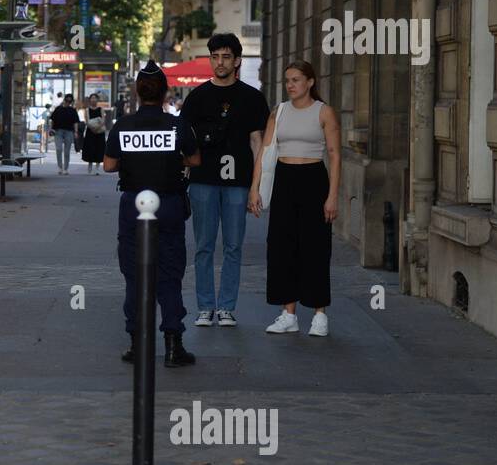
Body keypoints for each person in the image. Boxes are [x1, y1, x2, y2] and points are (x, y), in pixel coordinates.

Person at [104, 62, 201, 367]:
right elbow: (195, 159)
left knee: (135, 276)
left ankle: (137, 345)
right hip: (169, 204)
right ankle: (174, 346)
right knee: (170, 275)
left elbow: (109, 165)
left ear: (137, 92)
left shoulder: (123, 125)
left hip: (134, 205)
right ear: (165, 92)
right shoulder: (177, 126)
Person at [181, 32, 270, 327]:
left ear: (237, 60)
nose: (220, 62)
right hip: (203, 181)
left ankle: (227, 307)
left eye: (226, 57)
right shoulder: (196, 97)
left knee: (233, 246)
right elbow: (186, 140)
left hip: (238, 183)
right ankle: (205, 306)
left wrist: (257, 187)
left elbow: (258, 143)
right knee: (204, 245)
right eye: (215, 57)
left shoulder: (253, 98)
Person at [248, 60, 342, 337]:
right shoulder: (279, 112)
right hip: (285, 179)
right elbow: (265, 151)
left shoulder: (324, 112)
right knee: (281, 246)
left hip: (314, 179)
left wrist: (332, 195)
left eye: (296, 80)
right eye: (287, 80)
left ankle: (319, 314)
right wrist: (254, 187)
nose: (290, 85)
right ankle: (288, 313)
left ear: (310, 82)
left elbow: (335, 156)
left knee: (316, 246)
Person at [50, 94, 78, 175]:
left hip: (69, 131)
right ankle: (60, 167)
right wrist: (51, 129)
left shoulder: (72, 110)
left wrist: (76, 132)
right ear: (64, 100)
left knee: (67, 151)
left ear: (71, 102)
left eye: (70, 101)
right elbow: (53, 119)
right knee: (58, 149)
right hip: (58, 131)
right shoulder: (58, 109)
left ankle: (65, 168)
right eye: (67, 100)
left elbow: (75, 122)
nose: (68, 102)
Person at [81, 93, 107, 174]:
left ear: (97, 100)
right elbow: (87, 121)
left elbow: (103, 120)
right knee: (90, 148)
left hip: (99, 132)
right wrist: (93, 128)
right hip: (90, 132)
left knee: (99, 149)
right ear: (90, 100)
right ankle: (90, 165)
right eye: (92, 98)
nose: (93, 100)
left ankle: (97, 168)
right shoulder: (87, 110)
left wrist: (98, 128)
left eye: (95, 98)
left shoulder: (101, 109)